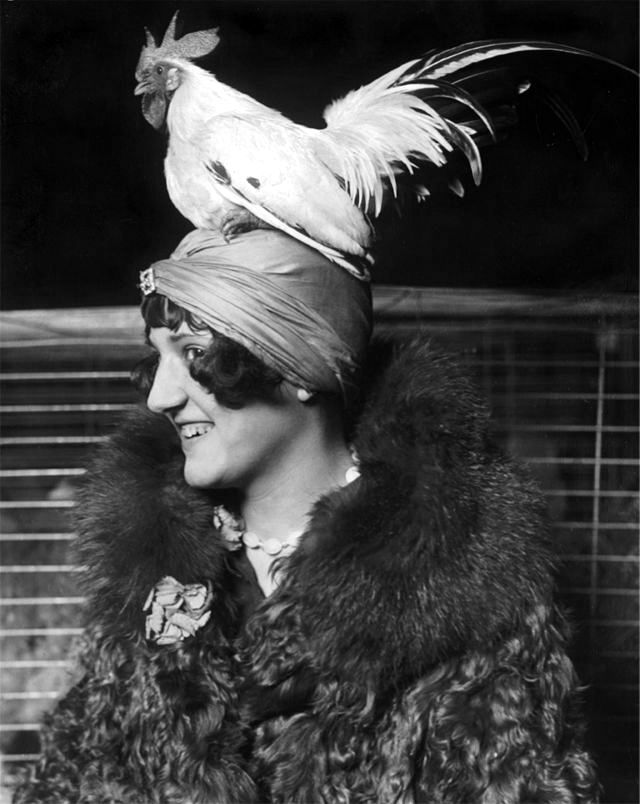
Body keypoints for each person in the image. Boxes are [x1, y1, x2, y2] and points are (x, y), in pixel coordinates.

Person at [13, 225, 599, 804]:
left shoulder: (468, 597)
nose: (159, 396)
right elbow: (79, 769)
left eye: (194, 354)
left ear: (299, 368)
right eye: (158, 358)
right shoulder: (150, 581)